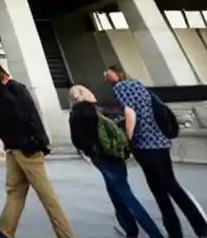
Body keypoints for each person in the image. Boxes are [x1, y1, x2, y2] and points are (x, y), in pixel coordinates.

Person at [106, 65, 207, 238]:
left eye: (108, 74)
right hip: (160, 143)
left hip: (145, 146)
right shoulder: (139, 85)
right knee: (169, 187)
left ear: (118, 74)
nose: (106, 77)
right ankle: (197, 231)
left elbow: (130, 113)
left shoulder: (121, 88)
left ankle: (186, 231)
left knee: (163, 190)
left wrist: (127, 139)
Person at [0, 56, 74, 238]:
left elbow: (31, 116)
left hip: (27, 148)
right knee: (15, 189)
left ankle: (67, 235)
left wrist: (41, 142)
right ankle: (5, 230)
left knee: (46, 195)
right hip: (13, 148)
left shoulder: (15, 88)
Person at [67, 85, 163, 238]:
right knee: (121, 192)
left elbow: (77, 141)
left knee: (117, 193)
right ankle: (148, 233)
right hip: (114, 154)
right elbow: (129, 112)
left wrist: (88, 152)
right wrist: (128, 138)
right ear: (87, 93)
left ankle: (135, 231)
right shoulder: (101, 108)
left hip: (98, 158)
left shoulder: (74, 115)